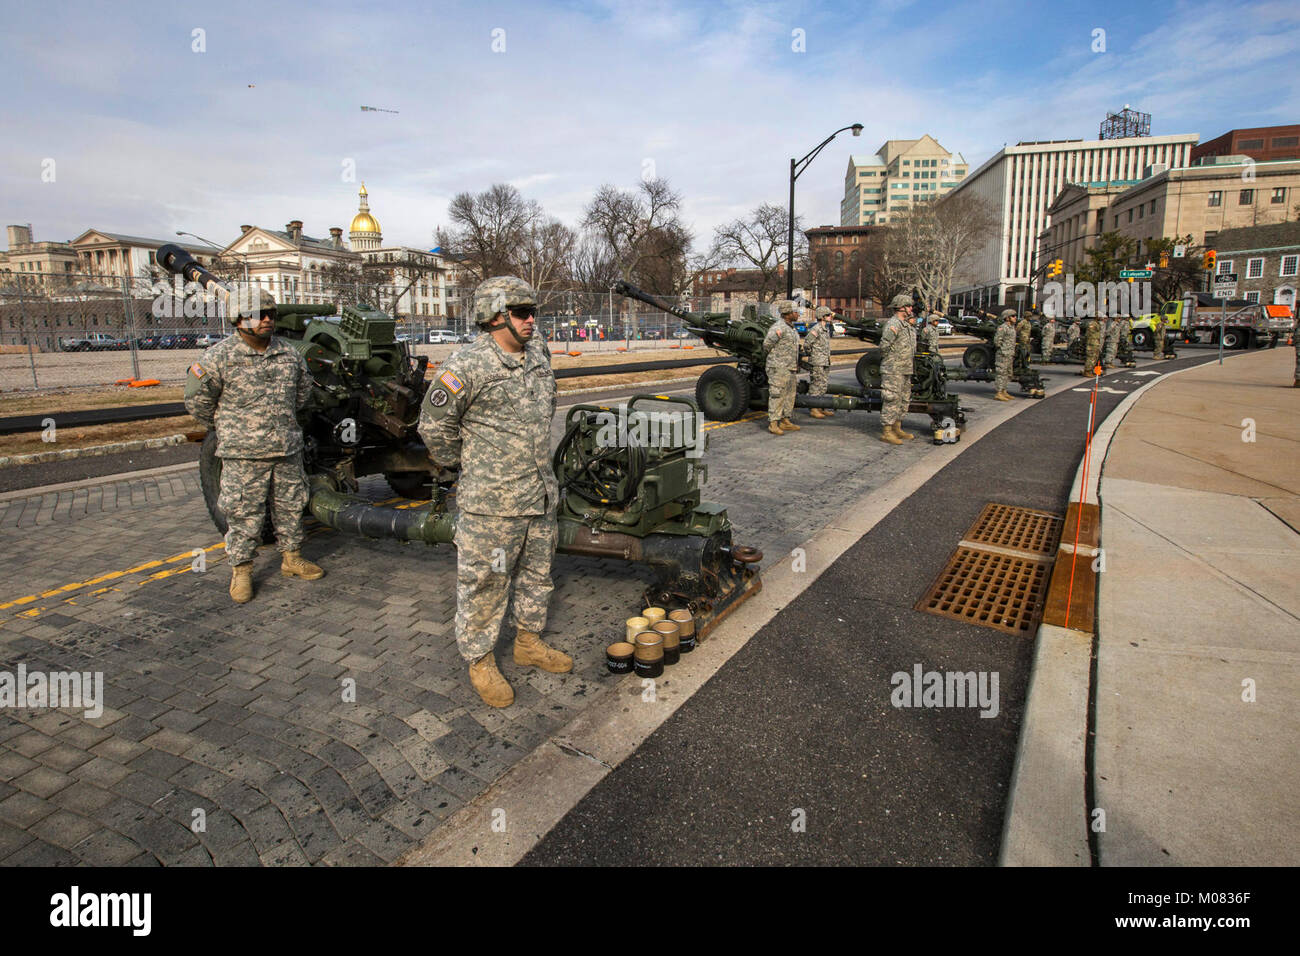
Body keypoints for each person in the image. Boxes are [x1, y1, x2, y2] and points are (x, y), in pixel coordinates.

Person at [417, 276, 570, 709]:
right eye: (522, 312)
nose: (531, 320)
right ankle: (480, 659)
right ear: (495, 315)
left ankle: (528, 641)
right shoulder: (467, 366)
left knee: (538, 575)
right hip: (492, 504)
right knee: (485, 581)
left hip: (540, 493)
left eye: (533, 311)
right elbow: (433, 428)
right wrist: (474, 465)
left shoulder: (537, 353)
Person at [185, 289, 323, 604]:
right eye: (258, 314)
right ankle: (242, 569)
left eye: (270, 314)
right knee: (244, 511)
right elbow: (197, 401)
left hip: (286, 448)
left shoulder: (289, 354)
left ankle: (292, 558)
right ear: (238, 318)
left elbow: (303, 394)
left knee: (290, 505)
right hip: (243, 452)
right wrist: (229, 429)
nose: (266, 320)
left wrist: (284, 423)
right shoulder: (220, 356)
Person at [878, 293, 916, 443]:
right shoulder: (893, 324)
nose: (911, 309)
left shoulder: (906, 325)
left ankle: (897, 427)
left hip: (905, 368)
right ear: (901, 307)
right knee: (891, 398)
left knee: (903, 399)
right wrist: (892, 360)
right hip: (893, 369)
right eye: (908, 306)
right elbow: (884, 346)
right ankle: (887, 431)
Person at [763, 300, 802, 435]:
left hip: (790, 368)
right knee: (777, 395)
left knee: (789, 395)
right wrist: (777, 360)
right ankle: (773, 424)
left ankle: (785, 421)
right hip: (779, 367)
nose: (798, 314)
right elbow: (767, 344)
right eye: (795, 311)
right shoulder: (778, 327)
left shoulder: (791, 328)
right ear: (787, 313)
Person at [804, 306, 834, 418]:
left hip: (825, 361)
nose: (830, 317)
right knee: (816, 384)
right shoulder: (816, 329)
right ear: (822, 317)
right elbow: (807, 344)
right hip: (817, 361)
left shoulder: (826, 329)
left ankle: (821, 406)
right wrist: (812, 354)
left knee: (823, 384)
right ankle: (813, 408)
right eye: (828, 315)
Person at [993, 308, 1016, 400]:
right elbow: (997, 341)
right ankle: (998, 393)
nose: (1015, 318)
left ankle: (1004, 391)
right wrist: (1002, 349)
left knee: (1007, 373)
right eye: (1013, 316)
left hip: (1009, 354)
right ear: (1007, 318)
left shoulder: (1012, 328)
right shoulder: (1003, 327)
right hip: (1003, 354)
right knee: (1001, 373)